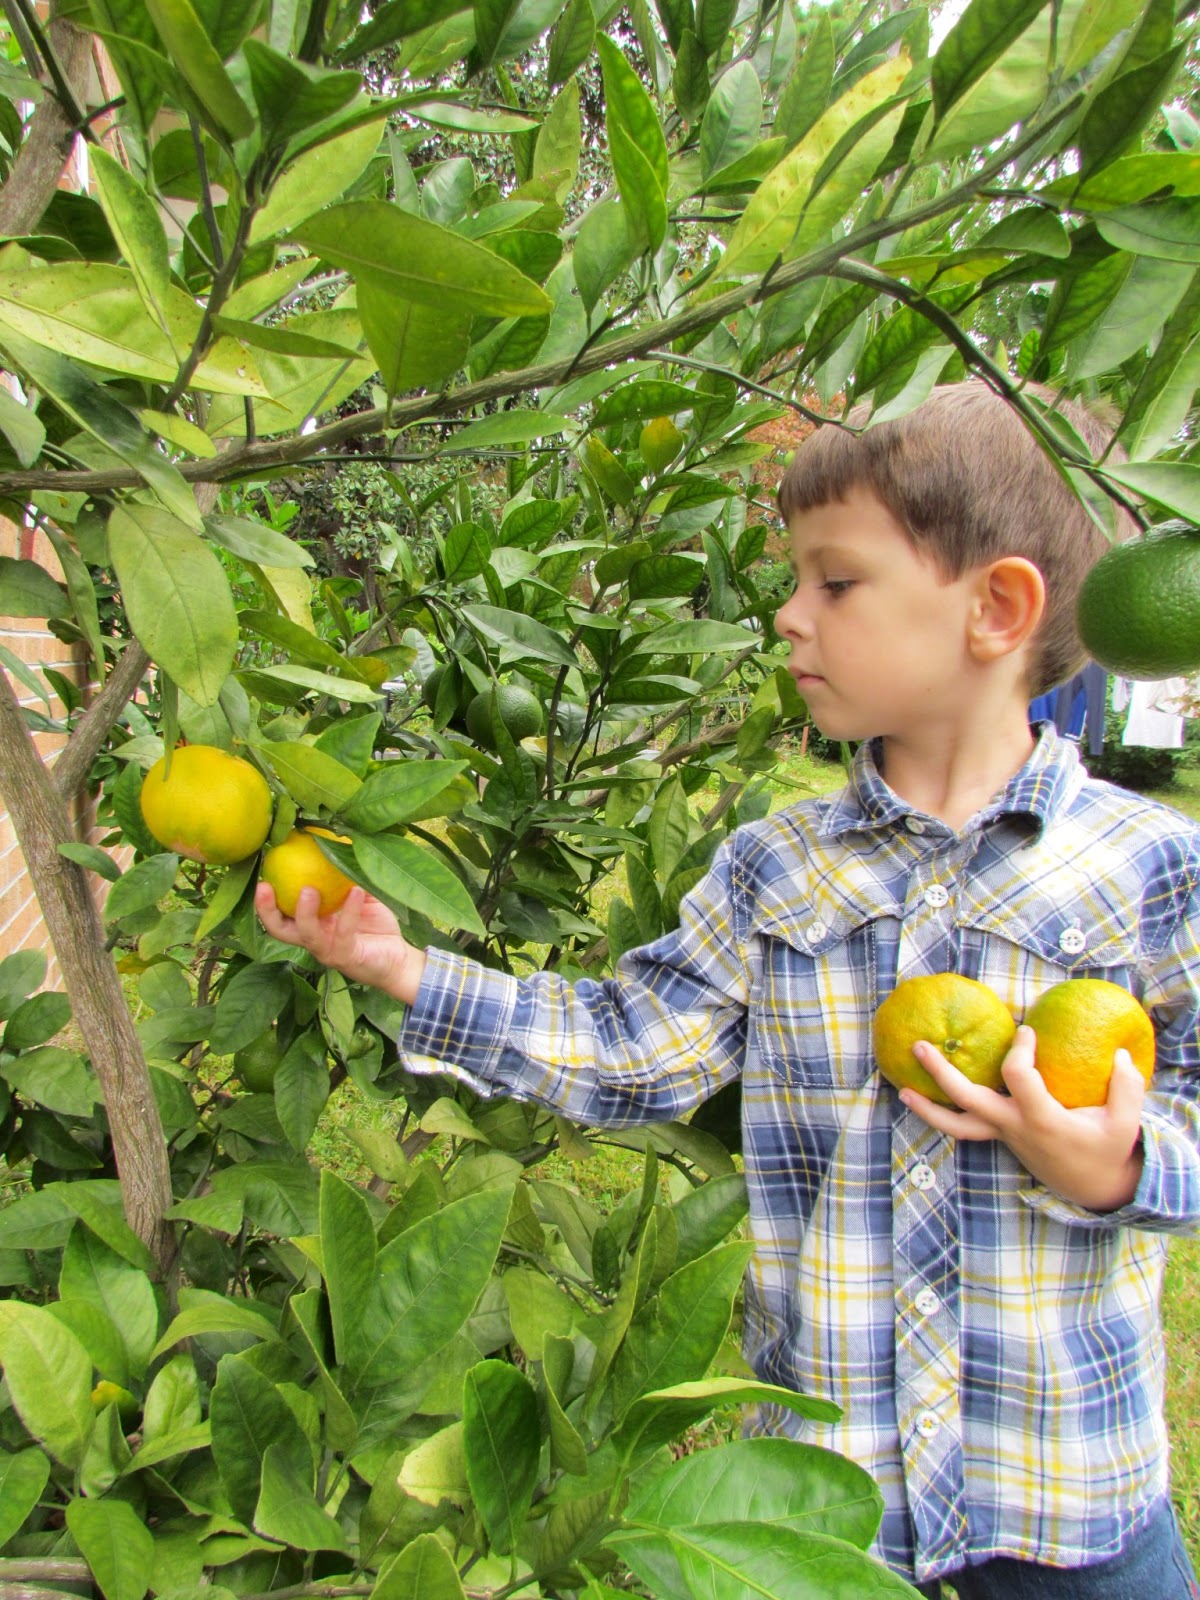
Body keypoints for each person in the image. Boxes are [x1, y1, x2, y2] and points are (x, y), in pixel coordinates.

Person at [255, 381, 1200, 1598]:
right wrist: (405, 969)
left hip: (1072, 1494)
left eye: (835, 581)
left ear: (997, 607)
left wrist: (1118, 1167)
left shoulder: (1154, 868)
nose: (788, 618)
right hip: (823, 1507)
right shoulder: (775, 864)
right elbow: (635, 1044)